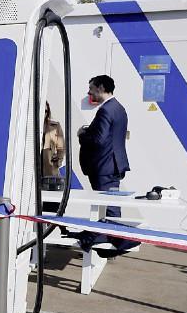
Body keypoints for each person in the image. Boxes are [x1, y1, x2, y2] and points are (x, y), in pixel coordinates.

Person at [76, 75, 138, 255]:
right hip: (114, 164)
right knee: (112, 205)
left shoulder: (105, 110)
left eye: (92, 88)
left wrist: (82, 134)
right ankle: (110, 241)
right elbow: (109, 136)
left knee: (109, 207)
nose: (89, 92)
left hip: (104, 166)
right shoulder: (119, 108)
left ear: (101, 88)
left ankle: (117, 244)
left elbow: (99, 139)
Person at [40, 102, 66, 189]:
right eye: (42, 110)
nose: (44, 113)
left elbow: (61, 147)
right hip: (33, 164)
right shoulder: (29, 125)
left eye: (46, 111)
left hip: (49, 166)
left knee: (49, 191)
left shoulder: (55, 126)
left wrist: (58, 161)